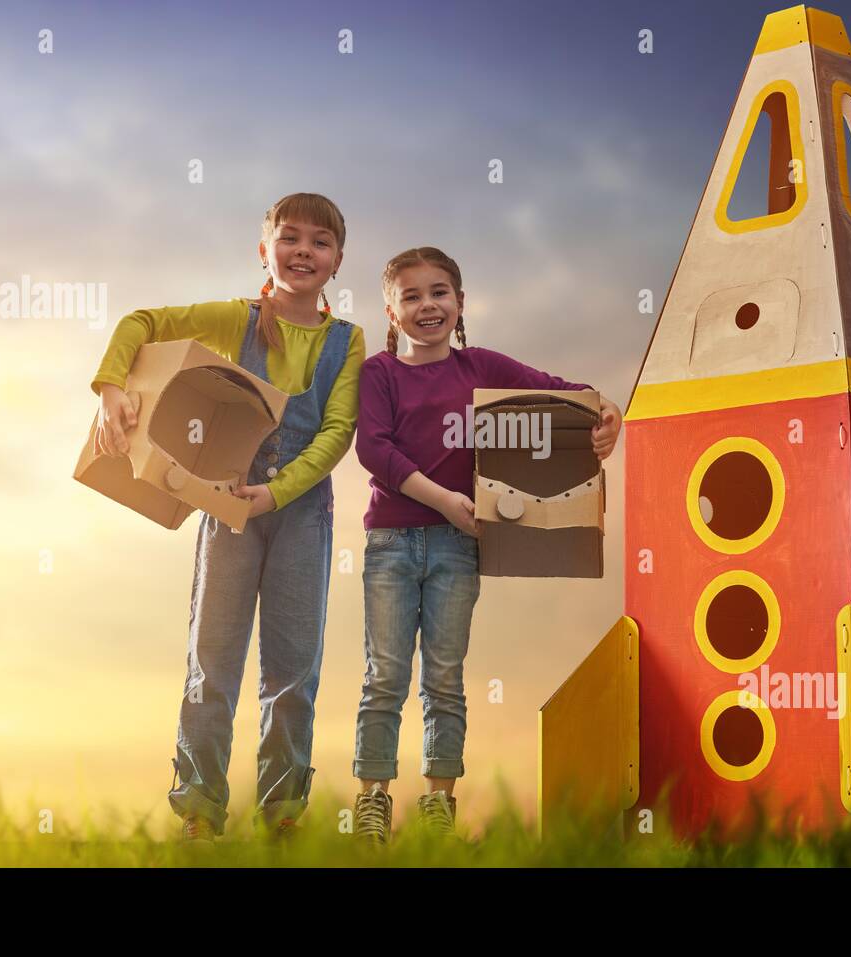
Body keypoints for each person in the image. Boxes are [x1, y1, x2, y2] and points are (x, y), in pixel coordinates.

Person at [89, 193, 365, 841]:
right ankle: (200, 810)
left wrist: (276, 494)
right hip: (224, 507)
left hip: (301, 515)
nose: (303, 251)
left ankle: (283, 812)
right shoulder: (232, 319)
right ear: (263, 249)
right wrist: (109, 391)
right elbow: (141, 321)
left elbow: (336, 433)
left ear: (337, 261)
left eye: (319, 242)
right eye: (289, 237)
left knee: (294, 668)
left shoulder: (347, 343)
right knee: (212, 660)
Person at [351, 245, 620, 842]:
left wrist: (608, 409)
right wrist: (444, 499)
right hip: (392, 541)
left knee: (445, 675)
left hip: (460, 547)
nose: (428, 305)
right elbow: (374, 449)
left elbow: (562, 395)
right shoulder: (379, 374)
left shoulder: (482, 369)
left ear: (460, 302)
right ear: (391, 312)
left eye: (439, 292)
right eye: (412, 296)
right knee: (386, 673)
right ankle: (373, 798)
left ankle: (438, 802)